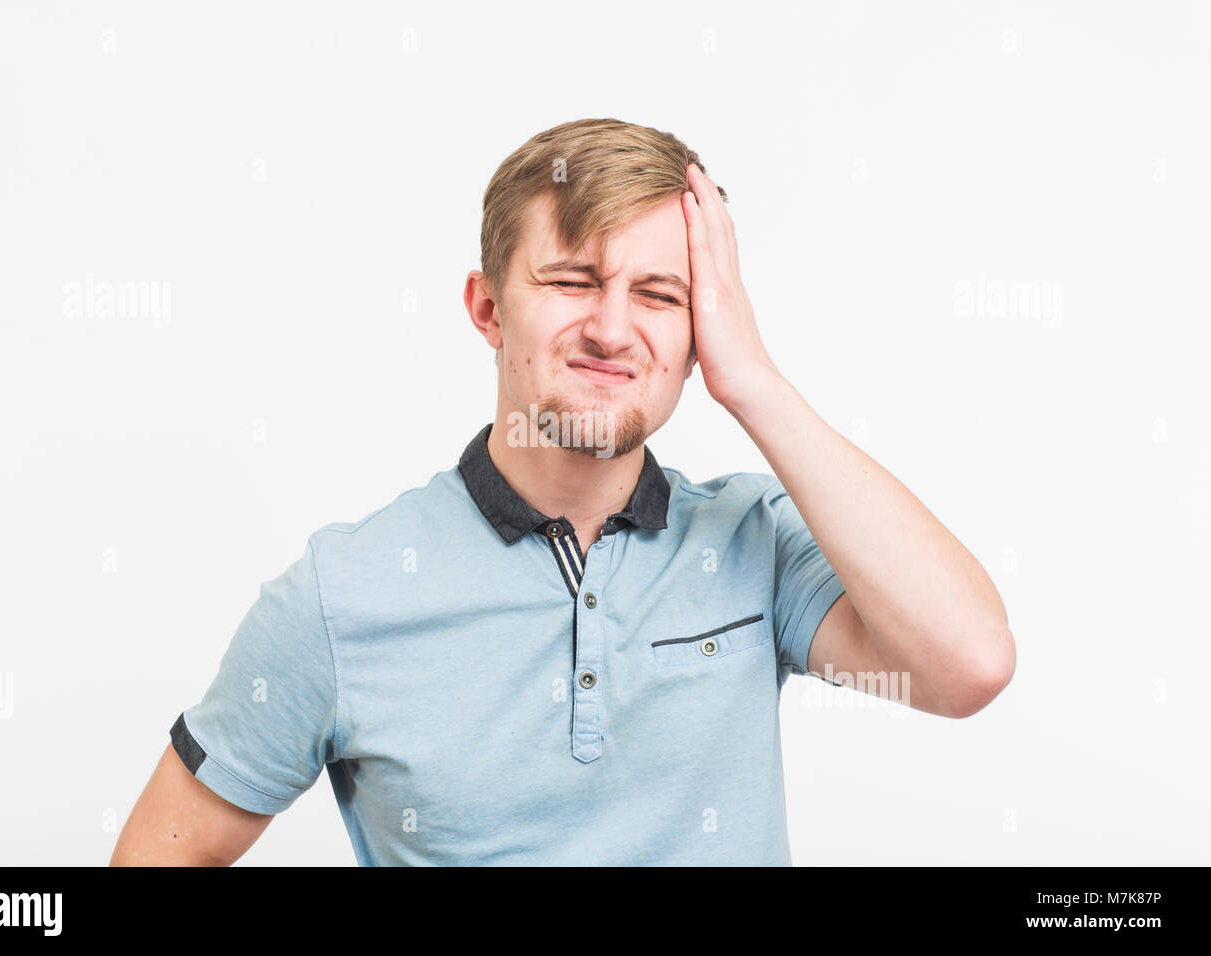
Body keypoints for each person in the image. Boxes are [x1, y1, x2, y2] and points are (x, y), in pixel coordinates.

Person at [110, 118, 1015, 866]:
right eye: (573, 280)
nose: (613, 328)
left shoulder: (754, 542)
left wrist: (756, 384)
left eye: (660, 295)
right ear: (489, 310)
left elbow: (968, 665)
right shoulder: (338, 596)